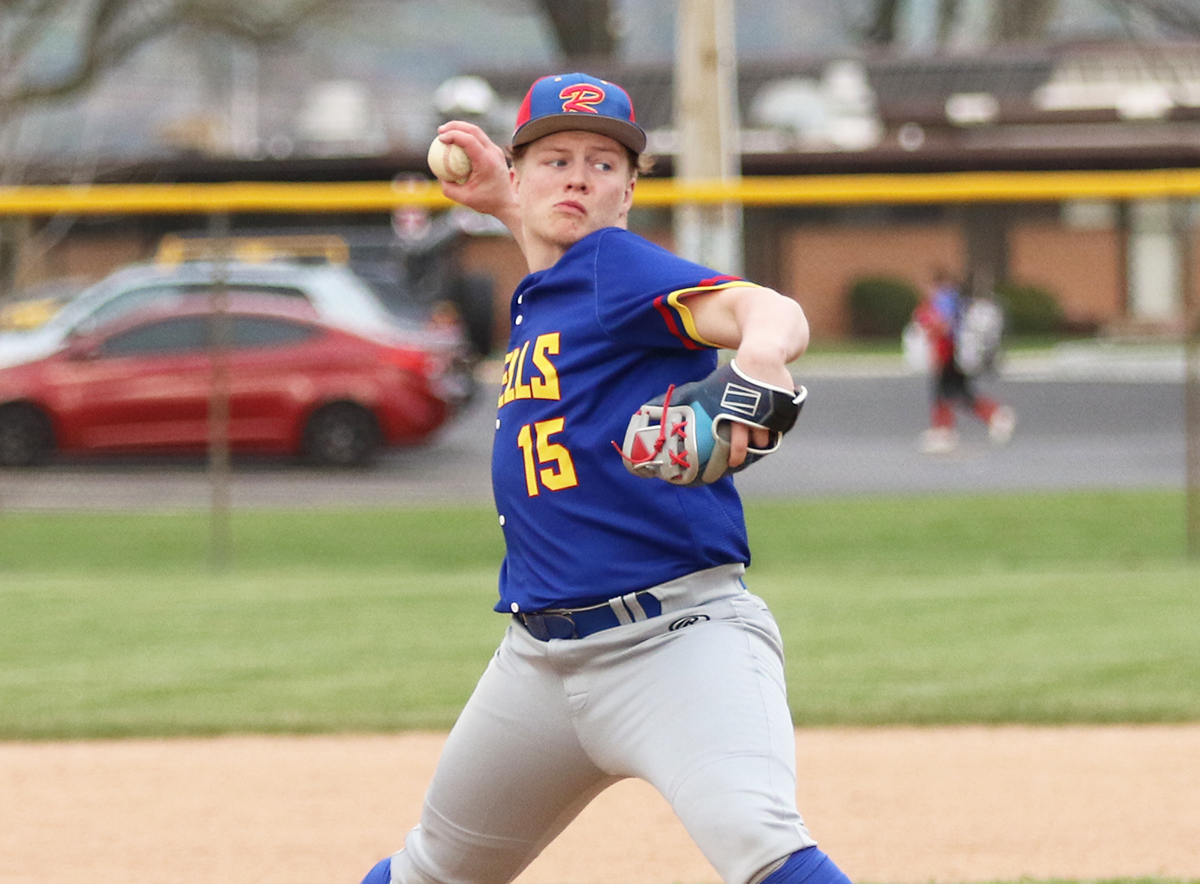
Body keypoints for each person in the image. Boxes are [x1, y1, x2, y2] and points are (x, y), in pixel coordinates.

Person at [358, 72, 853, 884]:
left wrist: (763, 349)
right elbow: (554, 242)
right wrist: (502, 205)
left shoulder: (614, 267)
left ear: (627, 192)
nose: (580, 176)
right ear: (520, 175)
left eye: (603, 163)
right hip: (537, 666)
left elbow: (763, 308)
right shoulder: (549, 289)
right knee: (432, 868)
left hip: (676, 645)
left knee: (760, 845)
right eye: (555, 158)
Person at [912, 269, 1015, 454]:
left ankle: (946, 430)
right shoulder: (956, 299)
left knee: (947, 392)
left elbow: (942, 326)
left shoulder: (944, 299)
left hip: (951, 353)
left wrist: (928, 326)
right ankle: (991, 415)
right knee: (955, 393)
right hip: (958, 354)